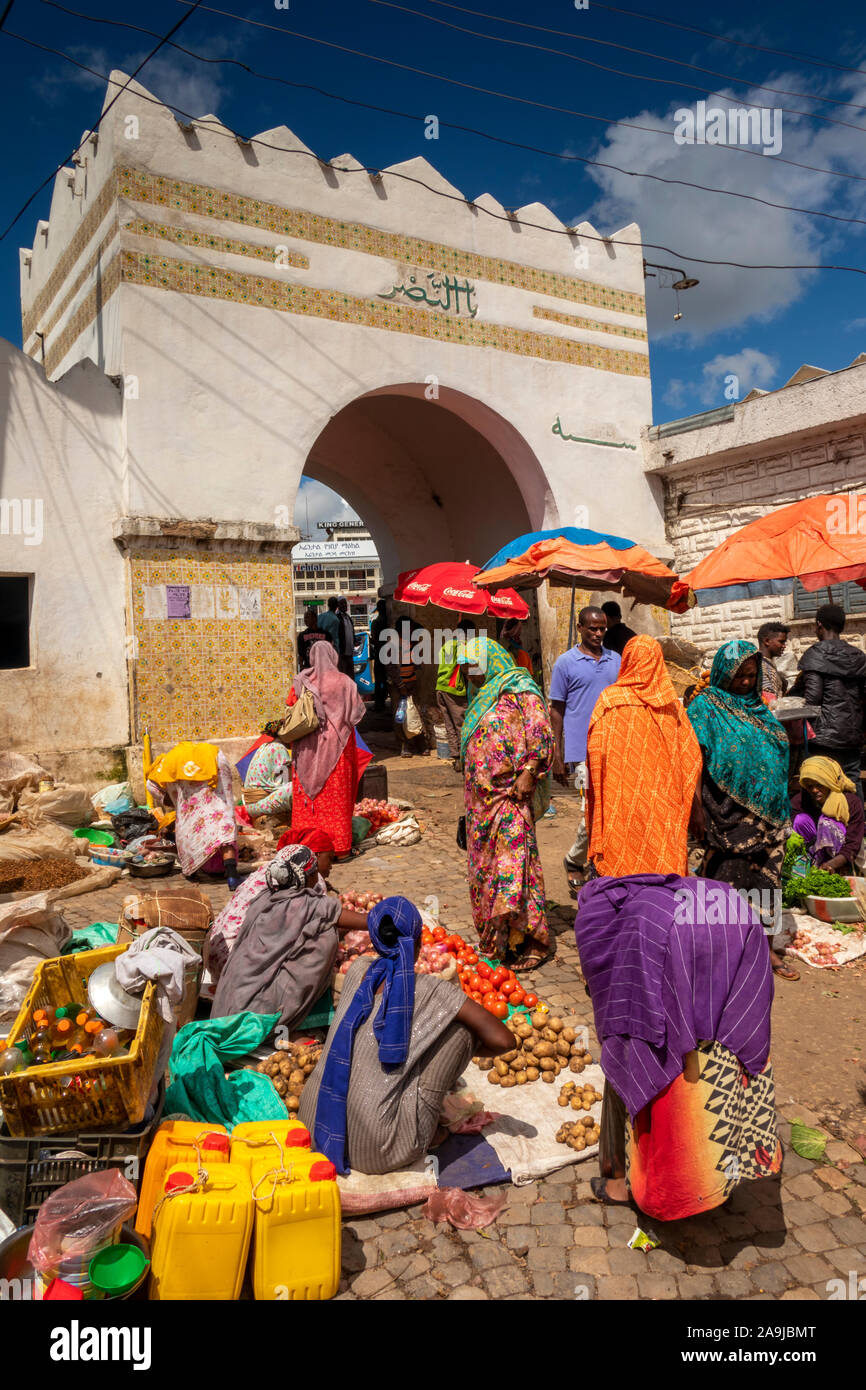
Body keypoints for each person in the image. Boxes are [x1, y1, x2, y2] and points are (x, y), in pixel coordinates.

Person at [576, 874, 781, 1216]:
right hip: (732, 917)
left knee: (634, 1045)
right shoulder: (658, 895)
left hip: (677, 935)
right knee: (729, 1045)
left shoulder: (603, 923)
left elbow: (618, 1005)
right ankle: (725, 1180)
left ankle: (627, 1186)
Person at [300, 896, 512, 1175]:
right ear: (417, 943)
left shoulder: (358, 972)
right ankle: (423, 1129)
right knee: (461, 1032)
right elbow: (505, 1040)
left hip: (313, 1123)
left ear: (375, 939)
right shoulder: (433, 990)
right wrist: (446, 1044)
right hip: (377, 1149)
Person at [686, 640, 796, 980]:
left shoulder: (758, 709)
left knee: (766, 881)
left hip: (767, 817)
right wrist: (697, 811)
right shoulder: (705, 707)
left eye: (751, 676)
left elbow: (776, 747)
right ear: (723, 673)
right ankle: (720, 955)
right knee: (724, 886)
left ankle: (764, 949)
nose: (746, 683)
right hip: (724, 814)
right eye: (739, 676)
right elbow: (689, 762)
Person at [461, 638, 555, 972]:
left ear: (490, 661)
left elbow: (541, 736)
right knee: (486, 872)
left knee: (516, 868)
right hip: (480, 807)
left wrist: (530, 772)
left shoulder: (522, 690)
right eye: (465, 667)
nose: (469, 675)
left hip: (510, 797)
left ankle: (532, 940)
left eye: (473, 666)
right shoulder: (482, 697)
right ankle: (497, 939)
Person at [210, 843, 369, 1030]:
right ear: (309, 876)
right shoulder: (310, 904)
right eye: (315, 872)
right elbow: (367, 921)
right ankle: (293, 1022)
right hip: (254, 1018)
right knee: (326, 936)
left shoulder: (263, 898)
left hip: (225, 1007)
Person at [586, 635, 702, 877]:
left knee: (622, 861)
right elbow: (691, 759)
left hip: (620, 800)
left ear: (626, 661)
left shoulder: (610, 700)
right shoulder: (672, 706)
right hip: (664, 802)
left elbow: (595, 756)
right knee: (663, 862)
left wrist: (600, 796)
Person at [202, 828, 337, 994]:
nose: (331, 865)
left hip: (213, 955)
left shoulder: (269, 869)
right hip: (238, 965)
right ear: (314, 855)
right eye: (329, 858)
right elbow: (325, 919)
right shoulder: (314, 880)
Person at [549, 607, 621, 893]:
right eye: (592, 628)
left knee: (610, 810)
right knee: (589, 811)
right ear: (580, 628)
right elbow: (556, 710)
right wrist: (557, 753)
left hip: (613, 746)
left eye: (602, 628)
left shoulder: (616, 659)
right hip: (581, 751)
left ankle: (598, 863)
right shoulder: (565, 663)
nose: (598, 633)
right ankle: (575, 861)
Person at [286, 641, 367, 858]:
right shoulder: (345, 682)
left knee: (310, 800)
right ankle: (339, 848)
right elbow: (355, 715)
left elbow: (291, 706)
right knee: (337, 798)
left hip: (307, 750)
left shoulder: (301, 681)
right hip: (338, 749)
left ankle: (307, 846)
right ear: (333, 656)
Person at [147, 741, 240, 888]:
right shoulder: (177, 755)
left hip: (183, 765)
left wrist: (178, 805)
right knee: (222, 813)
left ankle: (192, 870)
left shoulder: (158, 771)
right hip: (214, 758)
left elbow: (156, 790)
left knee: (187, 822)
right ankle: (232, 875)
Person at [798, 603, 866, 803]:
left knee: (823, 783)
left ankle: (830, 830)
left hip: (824, 736)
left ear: (819, 625)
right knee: (852, 781)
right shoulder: (858, 656)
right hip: (853, 734)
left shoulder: (815, 654)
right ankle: (857, 827)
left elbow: (812, 698)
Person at [790, 756, 864, 873]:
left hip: (840, 858)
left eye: (819, 784)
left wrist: (832, 864)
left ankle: (838, 871)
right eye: (810, 786)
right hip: (811, 851)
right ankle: (803, 868)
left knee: (827, 823)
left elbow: (853, 843)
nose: (814, 790)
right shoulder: (800, 800)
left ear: (829, 781)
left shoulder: (851, 802)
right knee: (799, 820)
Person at [435, 619, 473, 770]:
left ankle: (456, 757)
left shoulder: (448, 644)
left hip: (441, 687)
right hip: (454, 690)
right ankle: (464, 759)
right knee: (461, 725)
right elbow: (465, 667)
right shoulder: (462, 646)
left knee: (449, 724)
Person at [390, 613, 427, 758]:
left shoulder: (413, 643)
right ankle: (405, 745)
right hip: (398, 686)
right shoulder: (393, 644)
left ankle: (420, 742)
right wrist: (400, 685)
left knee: (417, 714)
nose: (412, 631)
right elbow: (391, 667)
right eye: (409, 628)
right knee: (400, 716)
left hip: (412, 683)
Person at [241, 721, 293, 820]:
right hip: (261, 802)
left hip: (251, 802)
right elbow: (285, 782)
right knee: (295, 788)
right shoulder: (280, 748)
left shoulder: (264, 746)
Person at [756, 621, 790, 698]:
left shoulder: (768, 663)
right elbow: (768, 699)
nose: (784, 646)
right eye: (781, 642)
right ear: (767, 641)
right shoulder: (761, 667)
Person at [370, 598, 390, 712]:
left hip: (379, 653)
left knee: (379, 680)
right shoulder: (389, 622)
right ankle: (385, 701)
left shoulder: (376, 622)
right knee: (388, 679)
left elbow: (374, 639)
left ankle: (379, 704)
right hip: (390, 653)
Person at [336, 597, 357, 679]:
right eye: (342, 603)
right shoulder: (337, 618)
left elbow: (351, 632)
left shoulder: (348, 618)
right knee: (343, 678)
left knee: (351, 678)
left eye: (345, 603)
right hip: (341, 654)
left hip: (350, 654)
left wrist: (354, 641)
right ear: (338, 605)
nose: (344, 605)